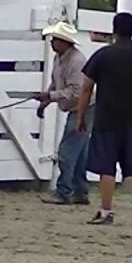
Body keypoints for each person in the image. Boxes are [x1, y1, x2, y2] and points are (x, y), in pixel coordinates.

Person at [78, 12, 132, 227]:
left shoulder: (103, 55)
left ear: (114, 29)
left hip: (107, 119)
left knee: (107, 168)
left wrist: (81, 115)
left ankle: (106, 211)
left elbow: (86, 89)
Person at [37, 22, 91, 206]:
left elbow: (77, 91)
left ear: (65, 42)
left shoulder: (76, 61)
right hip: (81, 107)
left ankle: (64, 191)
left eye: (56, 40)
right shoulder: (60, 59)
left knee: (67, 150)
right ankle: (80, 191)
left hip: (83, 107)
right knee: (79, 151)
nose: (52, 42)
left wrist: (50, 96)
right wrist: (47, 99)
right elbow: (56, 82)